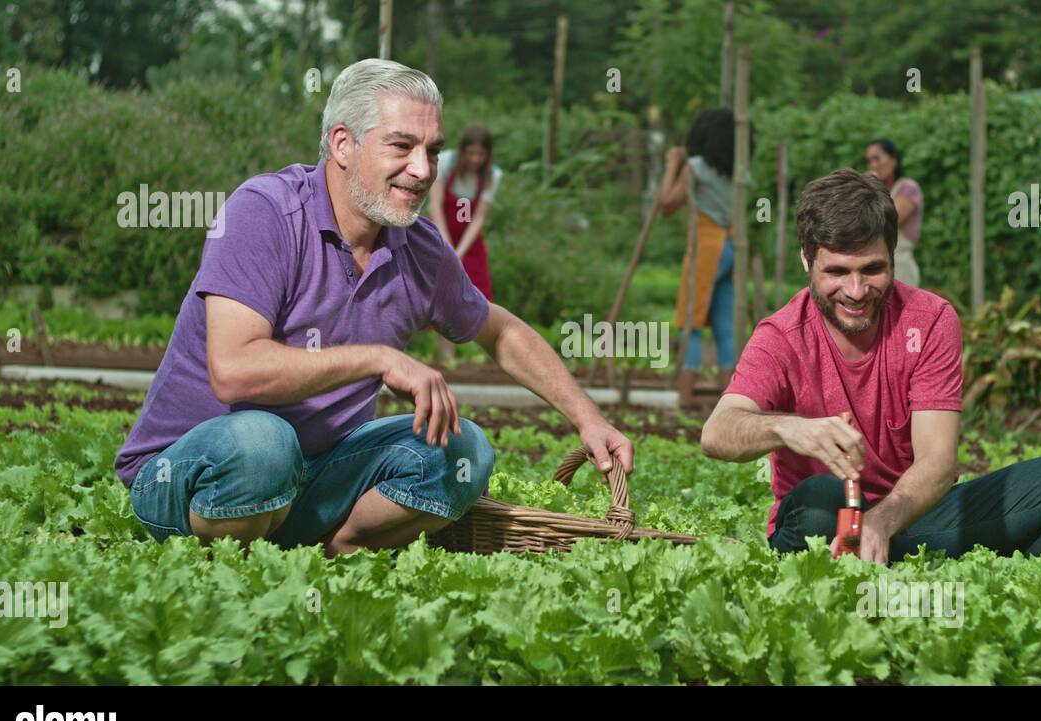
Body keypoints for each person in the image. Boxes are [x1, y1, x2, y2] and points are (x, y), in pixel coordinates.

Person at [114, 59, 633, 557]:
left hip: (310, 478)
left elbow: (500, 331)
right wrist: (380, 359)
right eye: (402, 147)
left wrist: (589, 421)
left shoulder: (419, 249)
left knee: (463, 450)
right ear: (344, 143)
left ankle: (338, 552)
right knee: (262, 443)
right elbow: (234, 373)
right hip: (186, 478)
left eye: (432, 150)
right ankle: (232, 564)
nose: (423, 169)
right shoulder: (266, 212)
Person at [700, 168, 1041, 564]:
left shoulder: (930, 320)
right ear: (806, 261)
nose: (855, 291)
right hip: (825, 523)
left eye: (872, 269)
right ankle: (942, 558)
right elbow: (717, 432)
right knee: (820, 499)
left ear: (893, 254)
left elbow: (938, 461)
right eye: (837, 272)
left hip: (911, 515)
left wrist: (882, 523)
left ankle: (981, 568)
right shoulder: (782, 335)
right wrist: (790, 429)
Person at [658, 107, 744, 409]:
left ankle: (684, 399)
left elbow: (666, 203)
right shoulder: (739, 171)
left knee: (690, 324)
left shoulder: (695, 167)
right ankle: (730, 404)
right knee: (725, 328)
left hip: (707, 249)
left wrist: (672, 164)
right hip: (733, 247)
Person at [428, 123, 501, 363]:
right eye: (471, 153)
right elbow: (435, 206)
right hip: (440, 234)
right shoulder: (446, 163)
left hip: (470, 243)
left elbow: (478, 218)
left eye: (481, 154)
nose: (475, 159)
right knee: (442, 293)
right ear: (462, 151)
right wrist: (448, 248)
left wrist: (460, 252)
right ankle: (446, 356)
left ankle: (485, 356)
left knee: (478, 294)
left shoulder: (492, 176)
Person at [865, 138, 922, 287]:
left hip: (900, 266)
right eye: (869, 161)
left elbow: (887, 221)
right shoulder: (875, 192)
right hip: (873, 266)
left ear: (893, 159)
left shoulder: (908, 188)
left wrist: (872, 188)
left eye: (877, 158)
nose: (873, 165)